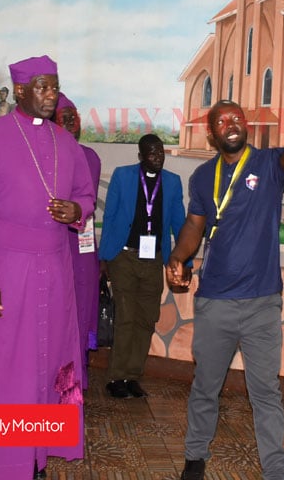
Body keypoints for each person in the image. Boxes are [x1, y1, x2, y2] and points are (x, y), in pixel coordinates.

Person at [165, 100, 284, 480]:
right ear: (212, 134)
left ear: (245, 125)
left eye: (236, 118)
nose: (230, 124)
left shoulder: (268, 164)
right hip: (215, 302)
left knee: (265, 392)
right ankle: (195, 456)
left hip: (262, 303)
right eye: (221, 121)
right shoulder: (201, 177)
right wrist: (178, 258)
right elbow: (194, 227)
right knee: (205, 387)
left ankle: (275, 470)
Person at [0, 55, 95, 479]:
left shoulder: (66, 142)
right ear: (20, 91)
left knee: (52, 361)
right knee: (8, 370)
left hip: (55, 270)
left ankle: (38, 454)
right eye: (42, 87)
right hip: (7, 269)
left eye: (54, 86)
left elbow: (85, 197)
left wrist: (76, 209)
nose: (50, 94)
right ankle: (3, 458)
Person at [99, 133, 185, 399]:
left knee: (147, 319)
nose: (157, 157)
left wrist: (184, 260)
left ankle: (132, 375)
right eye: (151, 153)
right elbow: (110, 216)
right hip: (124, 256)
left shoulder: (172, 183)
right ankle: (116, 377)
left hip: (153, 259)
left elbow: (180, 224)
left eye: (160, 152)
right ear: (140, 156)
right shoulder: (123, 176)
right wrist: (104, 259)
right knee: (126, 317)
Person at [53, 92, 102, 389]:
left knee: (81, 306)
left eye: (74, 115)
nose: (70, 120)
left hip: (81, 244)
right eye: (64, 116)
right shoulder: (47, 155)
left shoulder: (90, 157)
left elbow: (82, 201)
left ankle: (76, 375)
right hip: (55, 240)